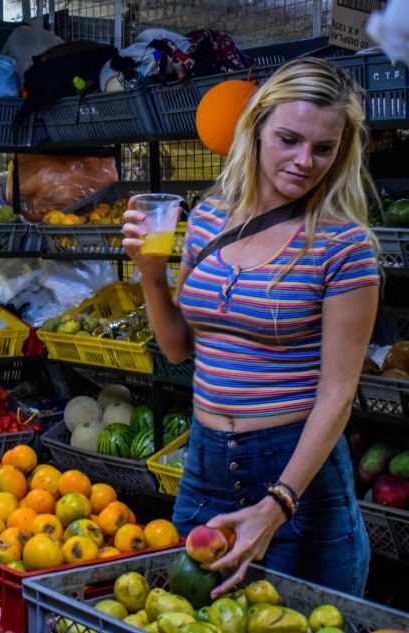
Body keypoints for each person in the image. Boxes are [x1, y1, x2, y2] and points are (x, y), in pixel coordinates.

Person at [122, 57, 380, 598]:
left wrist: (278, 503)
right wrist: (150, 275)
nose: (305, 161)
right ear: (257, 125)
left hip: (297, 480)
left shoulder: (345, 248)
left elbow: (338, 394)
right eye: (289, 138)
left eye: (324, 148)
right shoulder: (211, 217)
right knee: (192, 626)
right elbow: (176, 348)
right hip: (204, 465)